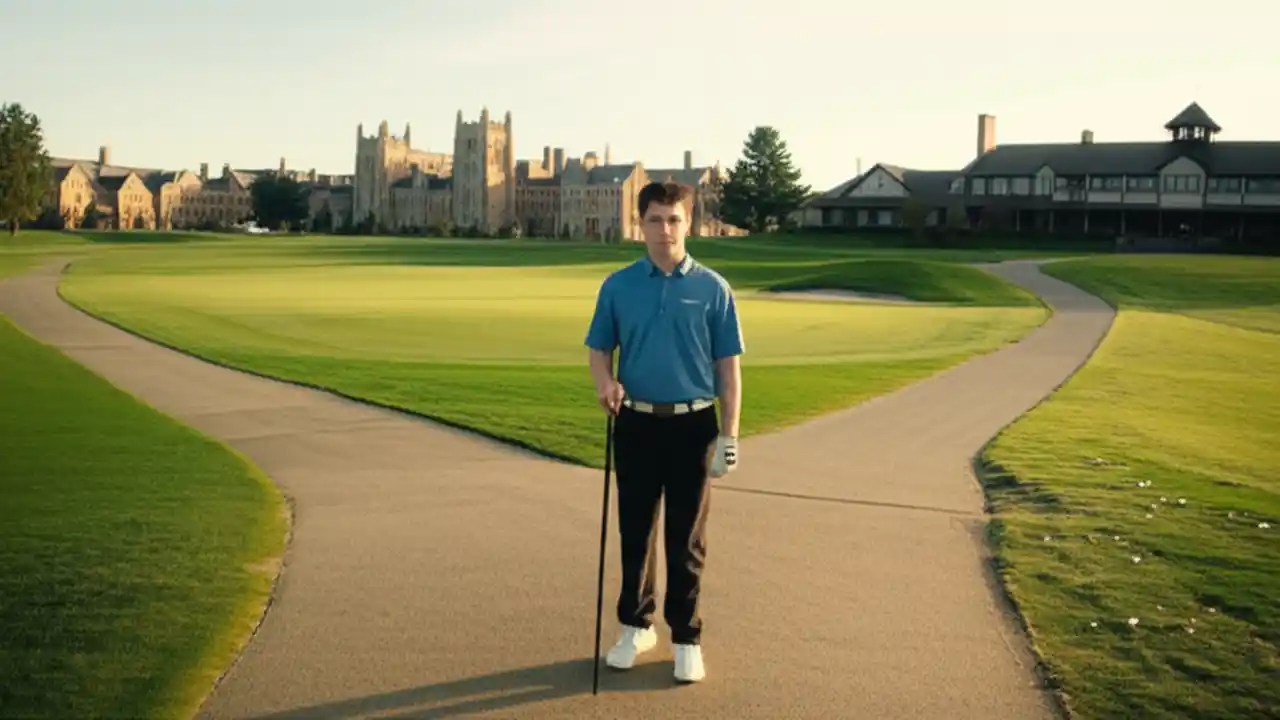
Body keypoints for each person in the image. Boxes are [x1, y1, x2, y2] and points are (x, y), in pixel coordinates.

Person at [584, 180, 744, 684]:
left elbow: (728, 367)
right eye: (655, 219)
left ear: (688, 223)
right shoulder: (618, 286)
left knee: (686, 539)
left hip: (695, 425)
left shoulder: (713, 288)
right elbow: (598, 349)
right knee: (636, 531)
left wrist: (731, 435)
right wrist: (606, 382)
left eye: (674, 219)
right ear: (641, 224)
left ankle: (686, 637)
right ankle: (636, 625)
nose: (665, 229)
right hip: (635, 421)